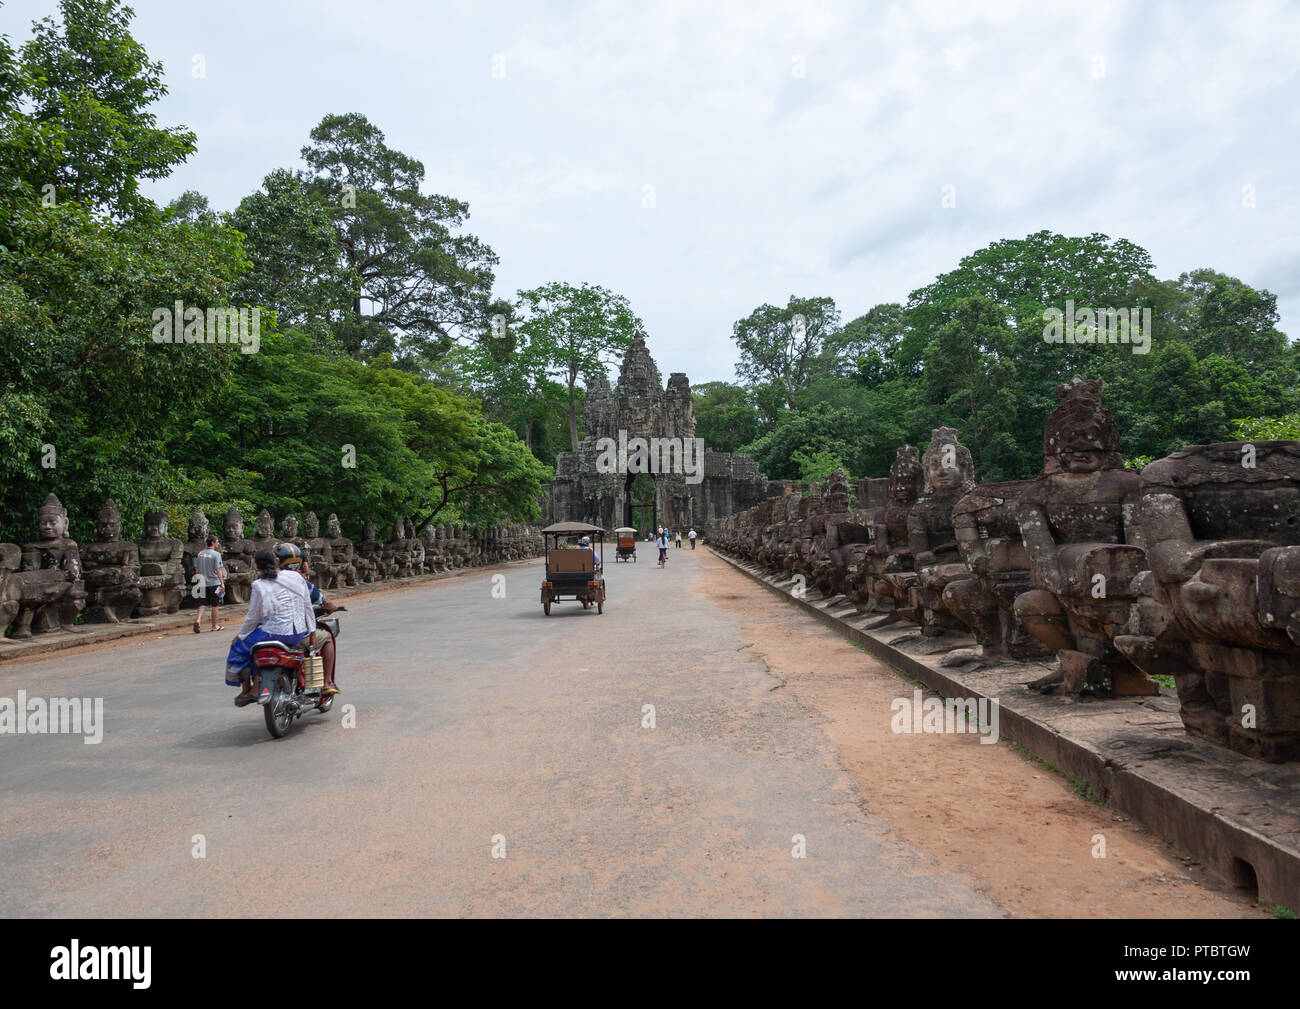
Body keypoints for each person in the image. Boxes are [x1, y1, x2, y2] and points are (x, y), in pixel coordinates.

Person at [226, 548, 321, 706]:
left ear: (257, 567)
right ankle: (256, 687)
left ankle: (246, 690)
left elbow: (253, 617)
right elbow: (307, 605)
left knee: (239, 647)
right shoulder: (296, 577)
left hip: (275, 633)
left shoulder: (259, 585)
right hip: (298, 632)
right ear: (276, 561)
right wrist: (311, 631)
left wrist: (240, 636)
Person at [275, 543, 342, 696]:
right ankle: (326, 683)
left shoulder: (264, 581)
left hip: (269, 633)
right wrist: (334, 606)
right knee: (327, 638)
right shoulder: (301, 582)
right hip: (294, 632)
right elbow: (322, 601)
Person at [193, 535, 225, 633]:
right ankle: (214, 626)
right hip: (214, 582)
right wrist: (222, 583)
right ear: (213, 543)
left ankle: (198, 620)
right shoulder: (216, 554)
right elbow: (218, 570)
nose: (218, 543)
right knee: (214, 605)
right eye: (217, 542)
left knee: (202, 603)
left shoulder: (200, 554)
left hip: (202, 582)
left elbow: (196, 569)